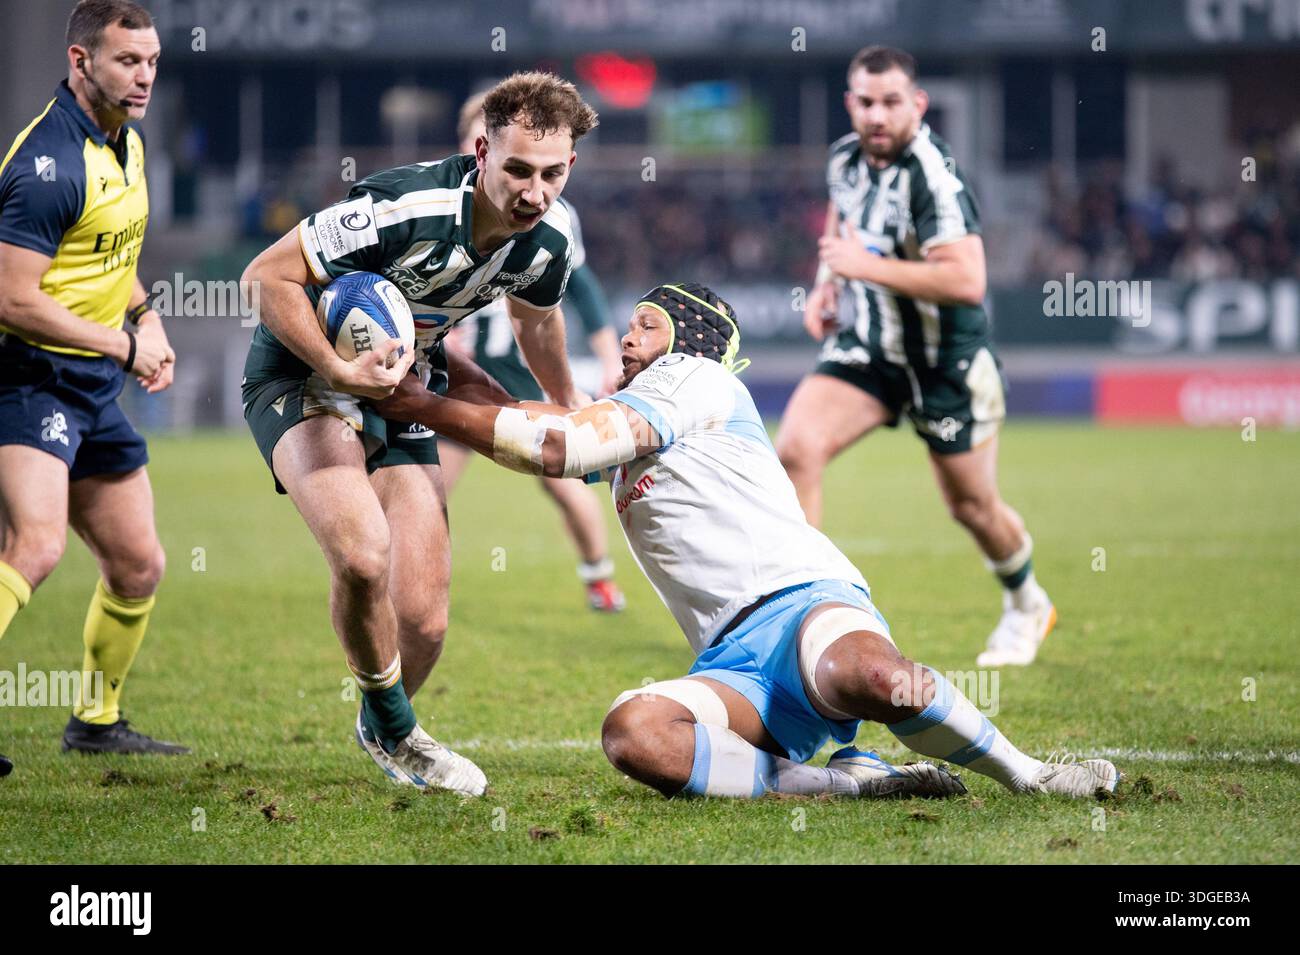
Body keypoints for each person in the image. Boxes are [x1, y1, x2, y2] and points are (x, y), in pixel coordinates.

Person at [374, 282, 1120, 801]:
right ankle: (840, 784)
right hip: (732, 663)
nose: (629, 335)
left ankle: (1030, 774)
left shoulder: (696, 381)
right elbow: (516, 414)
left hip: (807, 604)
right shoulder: (636, 409)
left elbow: (554, 444)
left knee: (882, 681)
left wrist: (418, 401)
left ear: (690, 342)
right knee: (635, 735)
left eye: (648, 323)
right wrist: (434, 353)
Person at [239, 72, 598, 795]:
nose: (535, 192)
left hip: (405, 384)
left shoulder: (550, 240)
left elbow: (537, 322)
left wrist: (567, 401)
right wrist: (339, 365)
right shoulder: (403, 206)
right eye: (518, 170)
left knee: (425, 621)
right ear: (480, 150)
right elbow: (265, 276)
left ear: (571, 166)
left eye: (552, 174)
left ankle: (379, 719)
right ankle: (404, 735)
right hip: (303, 372)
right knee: (365, 556)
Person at [775, 46, 1055, 668]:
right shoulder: (844, 159)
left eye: (891, 102)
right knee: (796, 449)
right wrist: (828, 283)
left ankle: (1027, 603)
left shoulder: (935, 176)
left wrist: (863, 268)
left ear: (918, 105)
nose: (877, 115)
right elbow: (840, 225)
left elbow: (967, 280)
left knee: (971, 507)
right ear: (850, 104)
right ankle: (802, 619)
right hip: (872, 349)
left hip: (944, 364)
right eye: (866, 102)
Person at [0, 0, 185, 776]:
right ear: (81, 63)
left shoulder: (127, 143)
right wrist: (122, 343)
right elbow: (12, 295)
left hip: (93, 386)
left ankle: (96, 720)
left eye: (150, 63)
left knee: (139, 564)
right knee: (35, 547)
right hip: (27, 376)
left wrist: (149, 317)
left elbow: (104, 252)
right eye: (125, 62)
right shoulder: (46, 161)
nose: (143, 77)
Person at [440, 93, 626, 613]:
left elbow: (582, 287)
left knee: (565, 481)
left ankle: (600, 576)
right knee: (428, 482)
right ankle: (410, 579)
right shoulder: (441, 201)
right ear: (476, 147)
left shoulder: (547, 214)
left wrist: (609, 357)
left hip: (519, 370)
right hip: (456, 371)